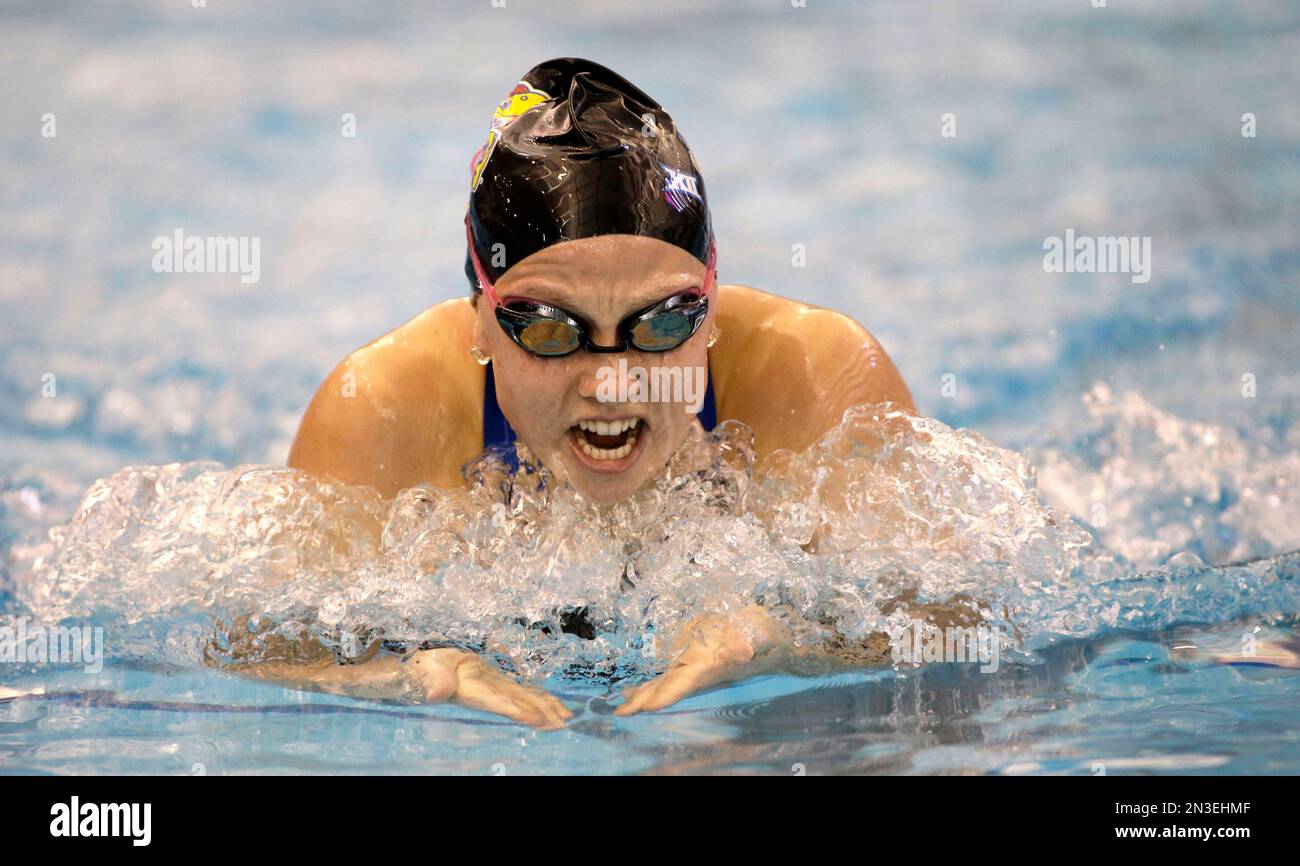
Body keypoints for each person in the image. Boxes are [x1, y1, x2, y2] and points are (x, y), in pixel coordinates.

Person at [258, 58, 915, 729]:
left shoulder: (814, 377)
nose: (610, 383)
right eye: (549, 329)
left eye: (661, 323)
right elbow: (262, 655)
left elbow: (957, 628)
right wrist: (400, 674)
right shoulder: (386, 409)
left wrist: (790, 645)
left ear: (711, 303)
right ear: (480, 314)